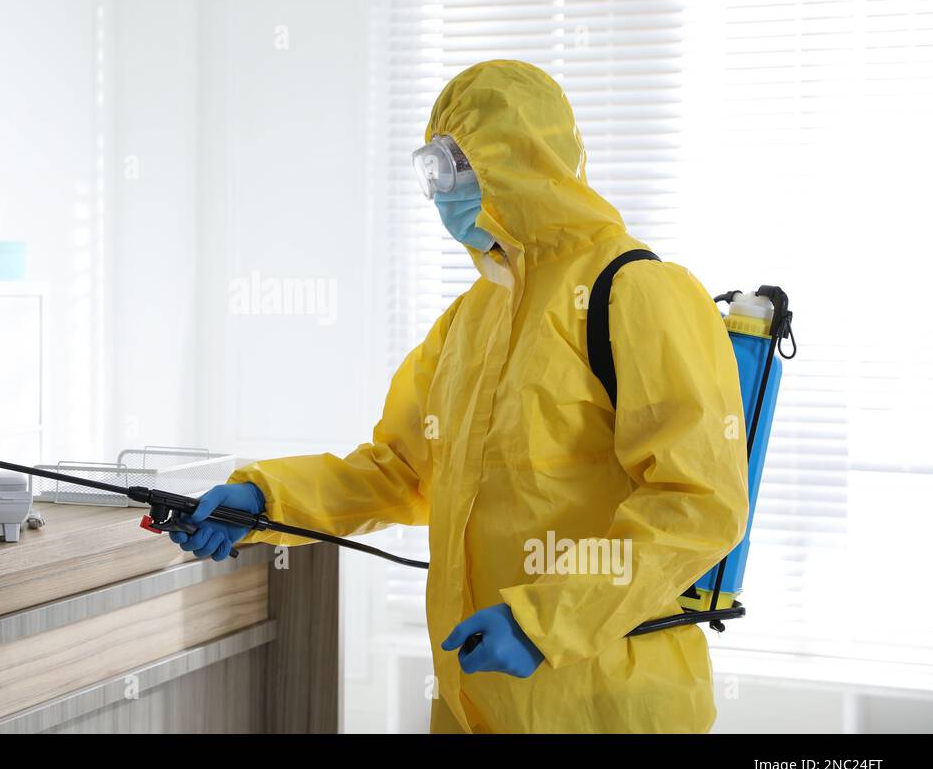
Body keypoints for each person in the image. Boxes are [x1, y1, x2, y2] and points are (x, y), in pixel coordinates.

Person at [170, 59, 749, 733]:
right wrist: (266, 501)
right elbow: (403, 472)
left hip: (608, 706)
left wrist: (542, 624)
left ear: (522, 163)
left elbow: (698, 505)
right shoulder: (470, 320)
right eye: (434, 171)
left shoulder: (637, 291)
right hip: (478, 702)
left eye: (456, 166)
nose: (442, 194)